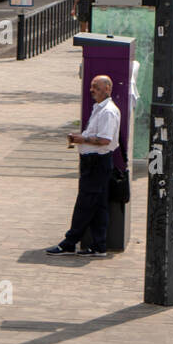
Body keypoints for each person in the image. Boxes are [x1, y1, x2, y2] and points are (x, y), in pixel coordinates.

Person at [45, 75, 121, 257]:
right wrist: (82, 137)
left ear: (108, 89)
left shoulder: (108, 112)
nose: (92, 90)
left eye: (96, 87)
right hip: (94, 162)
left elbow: (104, 139)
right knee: (99, 205)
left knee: (85, 203)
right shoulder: (99, 109)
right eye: (91, 86)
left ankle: (70, 242)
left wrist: (82, 139)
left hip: (97, 163)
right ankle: (99, 244)